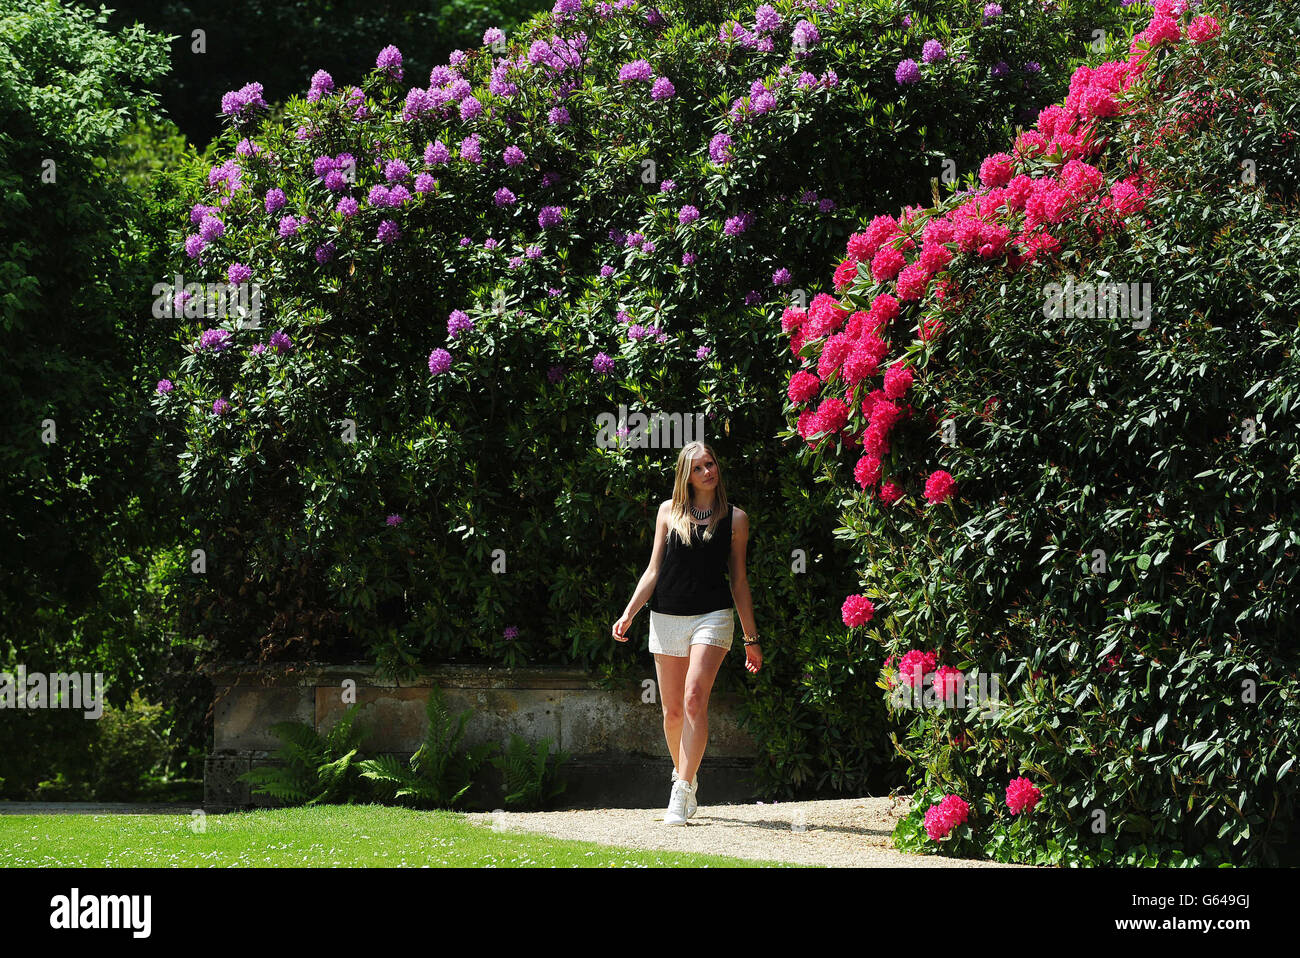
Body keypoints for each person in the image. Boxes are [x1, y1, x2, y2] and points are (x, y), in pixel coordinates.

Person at [611, 440, 762, 825]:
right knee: (673, 710)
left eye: (710, 463)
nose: (708, 471)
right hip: (666, 618)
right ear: (687, 476)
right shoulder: (668, 511)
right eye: (698, 468)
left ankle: (679, 788)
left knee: (695, 699)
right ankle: (689, 777)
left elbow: (740, 582)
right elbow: (654, 571)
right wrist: (629, 612)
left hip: (712, 617)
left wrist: (751, 639)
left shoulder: (735, 519)